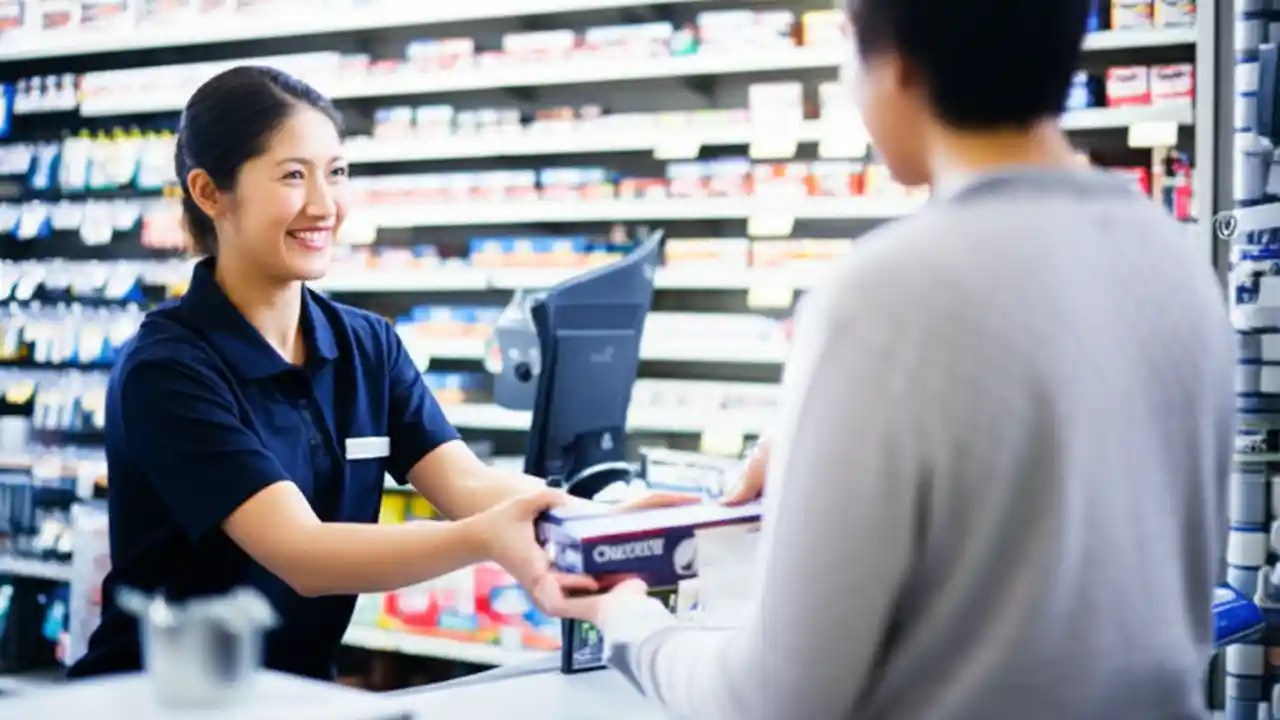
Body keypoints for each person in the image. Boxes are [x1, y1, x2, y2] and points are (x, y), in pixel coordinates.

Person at [544, 1, 1233, 718]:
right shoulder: (1177, 266)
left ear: (896, 65)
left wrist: (627, 618)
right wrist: (842, 458)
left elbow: (770, 704)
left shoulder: (884, 296)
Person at [66, 66, 682, 681]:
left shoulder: (366, 344)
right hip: (157, 698)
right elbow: (302, 554)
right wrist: (487, 539)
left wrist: (604, 520)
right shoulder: (169, 368)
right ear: (209, 193)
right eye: (292, 176)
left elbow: (465, 486)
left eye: (336, 172)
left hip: (298, 694)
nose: (325, 205)